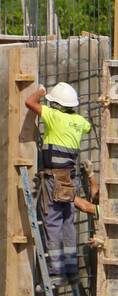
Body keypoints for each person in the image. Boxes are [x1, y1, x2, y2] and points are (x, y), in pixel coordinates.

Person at [24, 82, 92, 283]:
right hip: (71, 179)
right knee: (68, 223)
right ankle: (71, 269)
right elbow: (87, 127)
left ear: (57, 105)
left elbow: (30, 102)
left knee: (52, 222)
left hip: (54, 179)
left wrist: (42, 91)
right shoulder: (80, 121)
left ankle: (56, 271)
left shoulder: (53, 116)